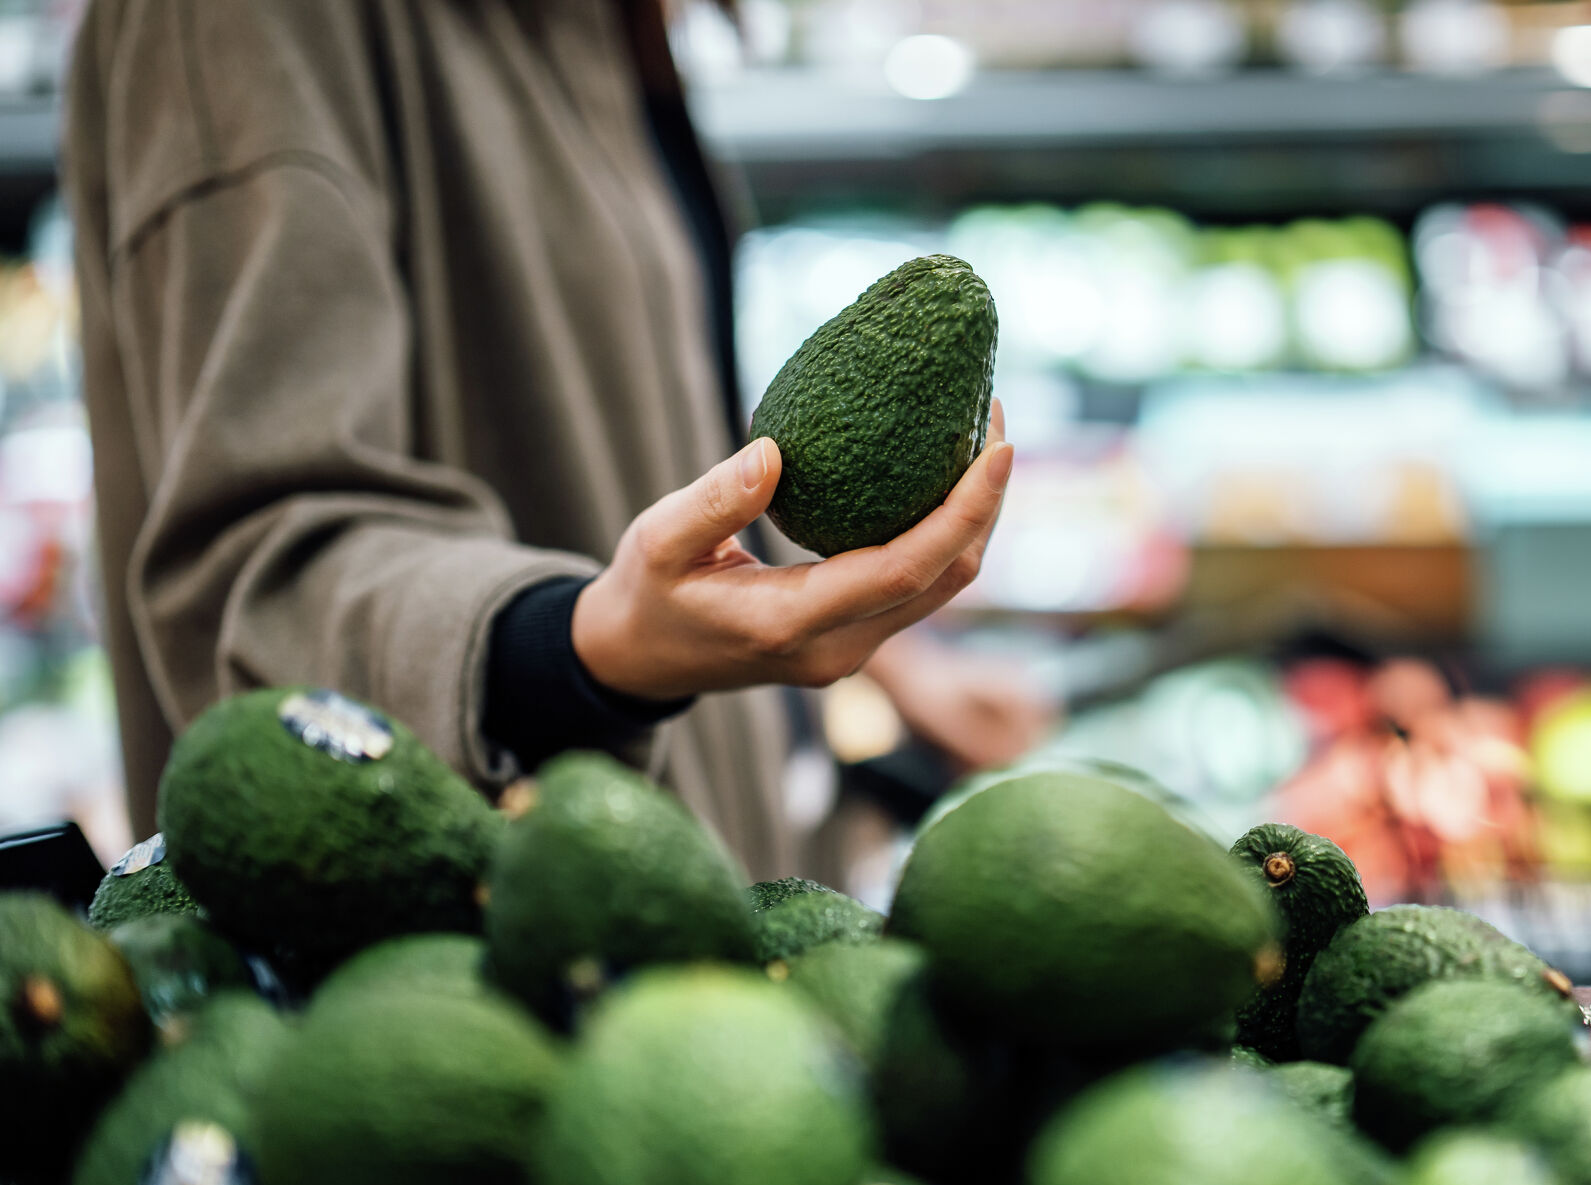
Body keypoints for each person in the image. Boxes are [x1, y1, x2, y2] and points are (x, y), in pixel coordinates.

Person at [62, 0, 1055, 879]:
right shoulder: (231, 25)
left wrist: (887, 665)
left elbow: (659, 417)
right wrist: (589, 642)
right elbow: (259, 574)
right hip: (475, 980)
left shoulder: (597, 23)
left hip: (685, 894)